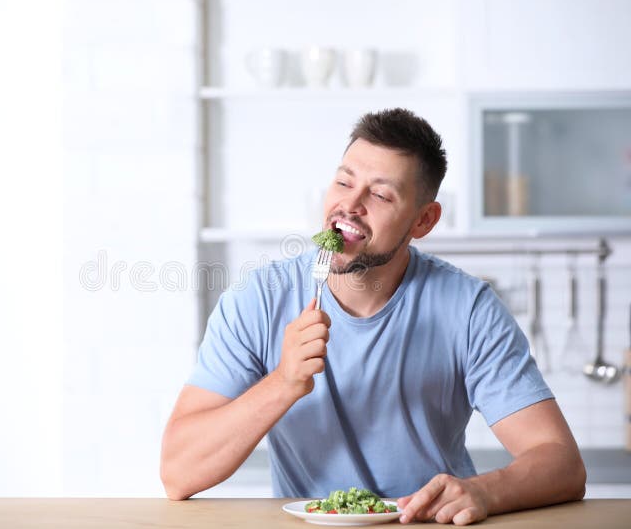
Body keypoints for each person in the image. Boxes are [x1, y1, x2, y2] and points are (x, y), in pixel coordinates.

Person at [160, 108, 586, 525]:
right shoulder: (257, 300)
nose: (350, 203)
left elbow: (562, 464)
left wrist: (485, 491)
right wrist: (283, 383)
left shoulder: (469, 309)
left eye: (381, 195)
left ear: (424, 220)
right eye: (344, 181)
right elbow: (179, 473)